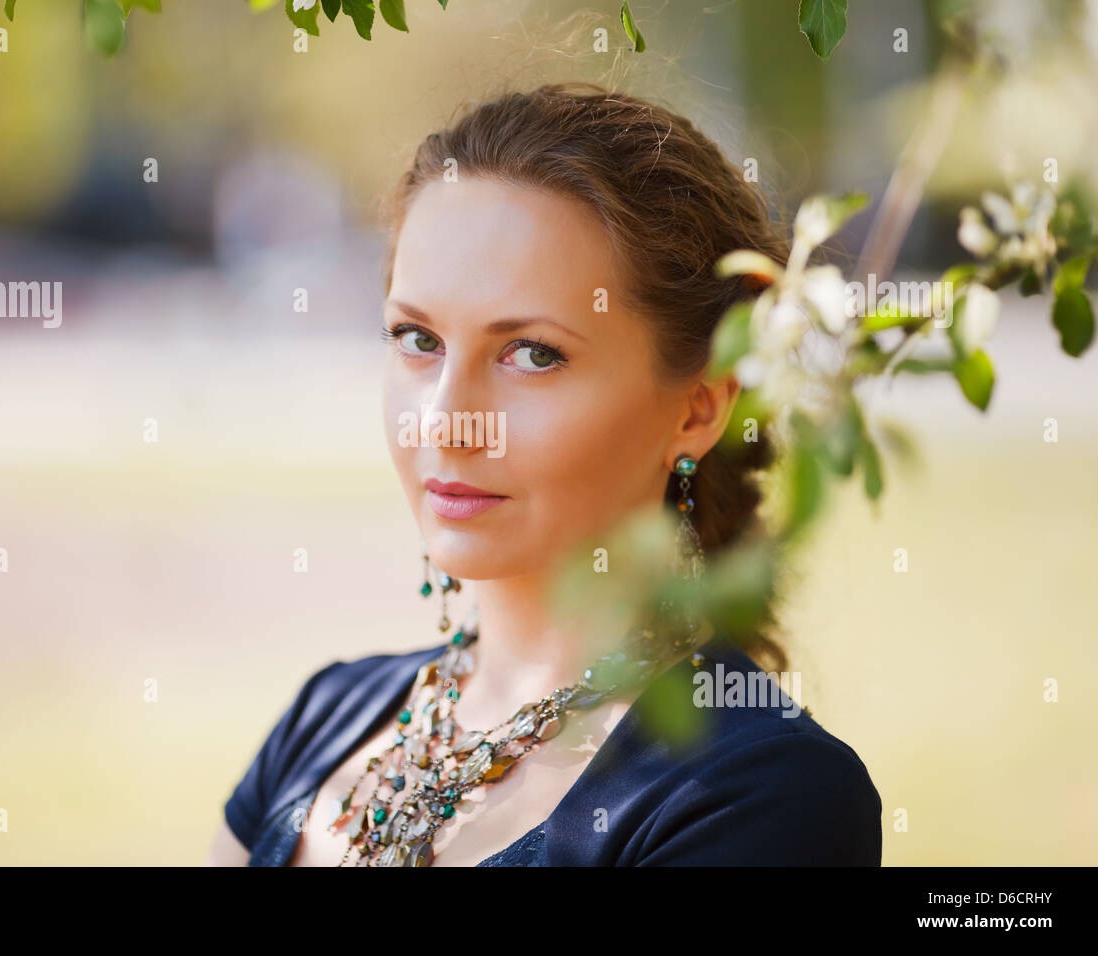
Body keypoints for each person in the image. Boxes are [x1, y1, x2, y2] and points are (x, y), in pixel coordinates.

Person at [207, 81, 881, 867]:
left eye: (532, 354)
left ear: (696, 408)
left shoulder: (761, 797)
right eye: (417, 340)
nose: (444, 422)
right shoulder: (322, 721)